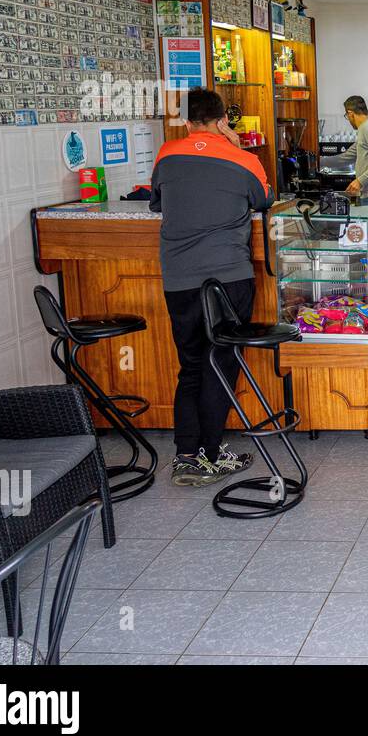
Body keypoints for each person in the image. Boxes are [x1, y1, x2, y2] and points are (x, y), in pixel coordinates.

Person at [150, 87, 267, 486]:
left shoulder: (167, 154)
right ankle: (212, 455)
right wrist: (234, 145)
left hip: (178, 278)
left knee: (192, 366)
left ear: (186, 122)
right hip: (227, 277)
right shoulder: (244, 159)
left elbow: (159, 202)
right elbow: (265, 199)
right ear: (223, 120)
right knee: (221, 362)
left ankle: (186, 455)